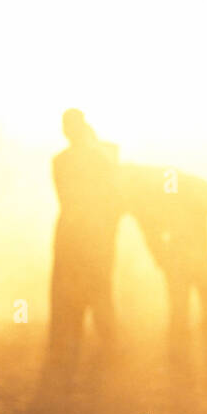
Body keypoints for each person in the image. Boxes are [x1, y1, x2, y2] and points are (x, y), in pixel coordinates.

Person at [48, 109, 121, 366]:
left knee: (86, 291)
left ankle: (93, 348)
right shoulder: (98, 158)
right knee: (90, 290)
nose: (67, 131)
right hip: (86, 232)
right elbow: (110, 196)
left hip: (78, 232)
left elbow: (74, 198)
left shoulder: (64, 160)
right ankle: (102, 348)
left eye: (70, 126)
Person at [119, 163, 207, 329]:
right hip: (187, 229)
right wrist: (162, 258)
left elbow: (173, 180)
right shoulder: (138, 197)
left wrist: (164, 256)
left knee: (198, 274)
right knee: (192, 280)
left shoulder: (148, 185)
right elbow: (150, 232)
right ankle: (192, 322)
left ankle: (202, 321)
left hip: (194, 216)